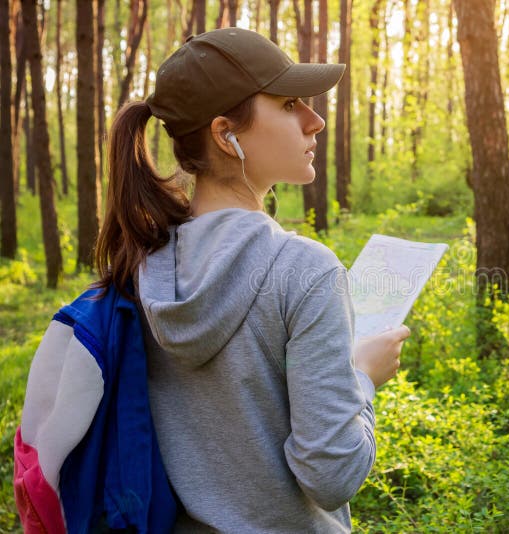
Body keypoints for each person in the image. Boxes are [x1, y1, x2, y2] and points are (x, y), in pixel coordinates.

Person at [93, 28, 410, 533]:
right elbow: (331, 476)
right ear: (225, 134)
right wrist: (363, 377)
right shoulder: (305, 270)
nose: (317, 120)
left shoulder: (141, 263)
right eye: (288, 104)